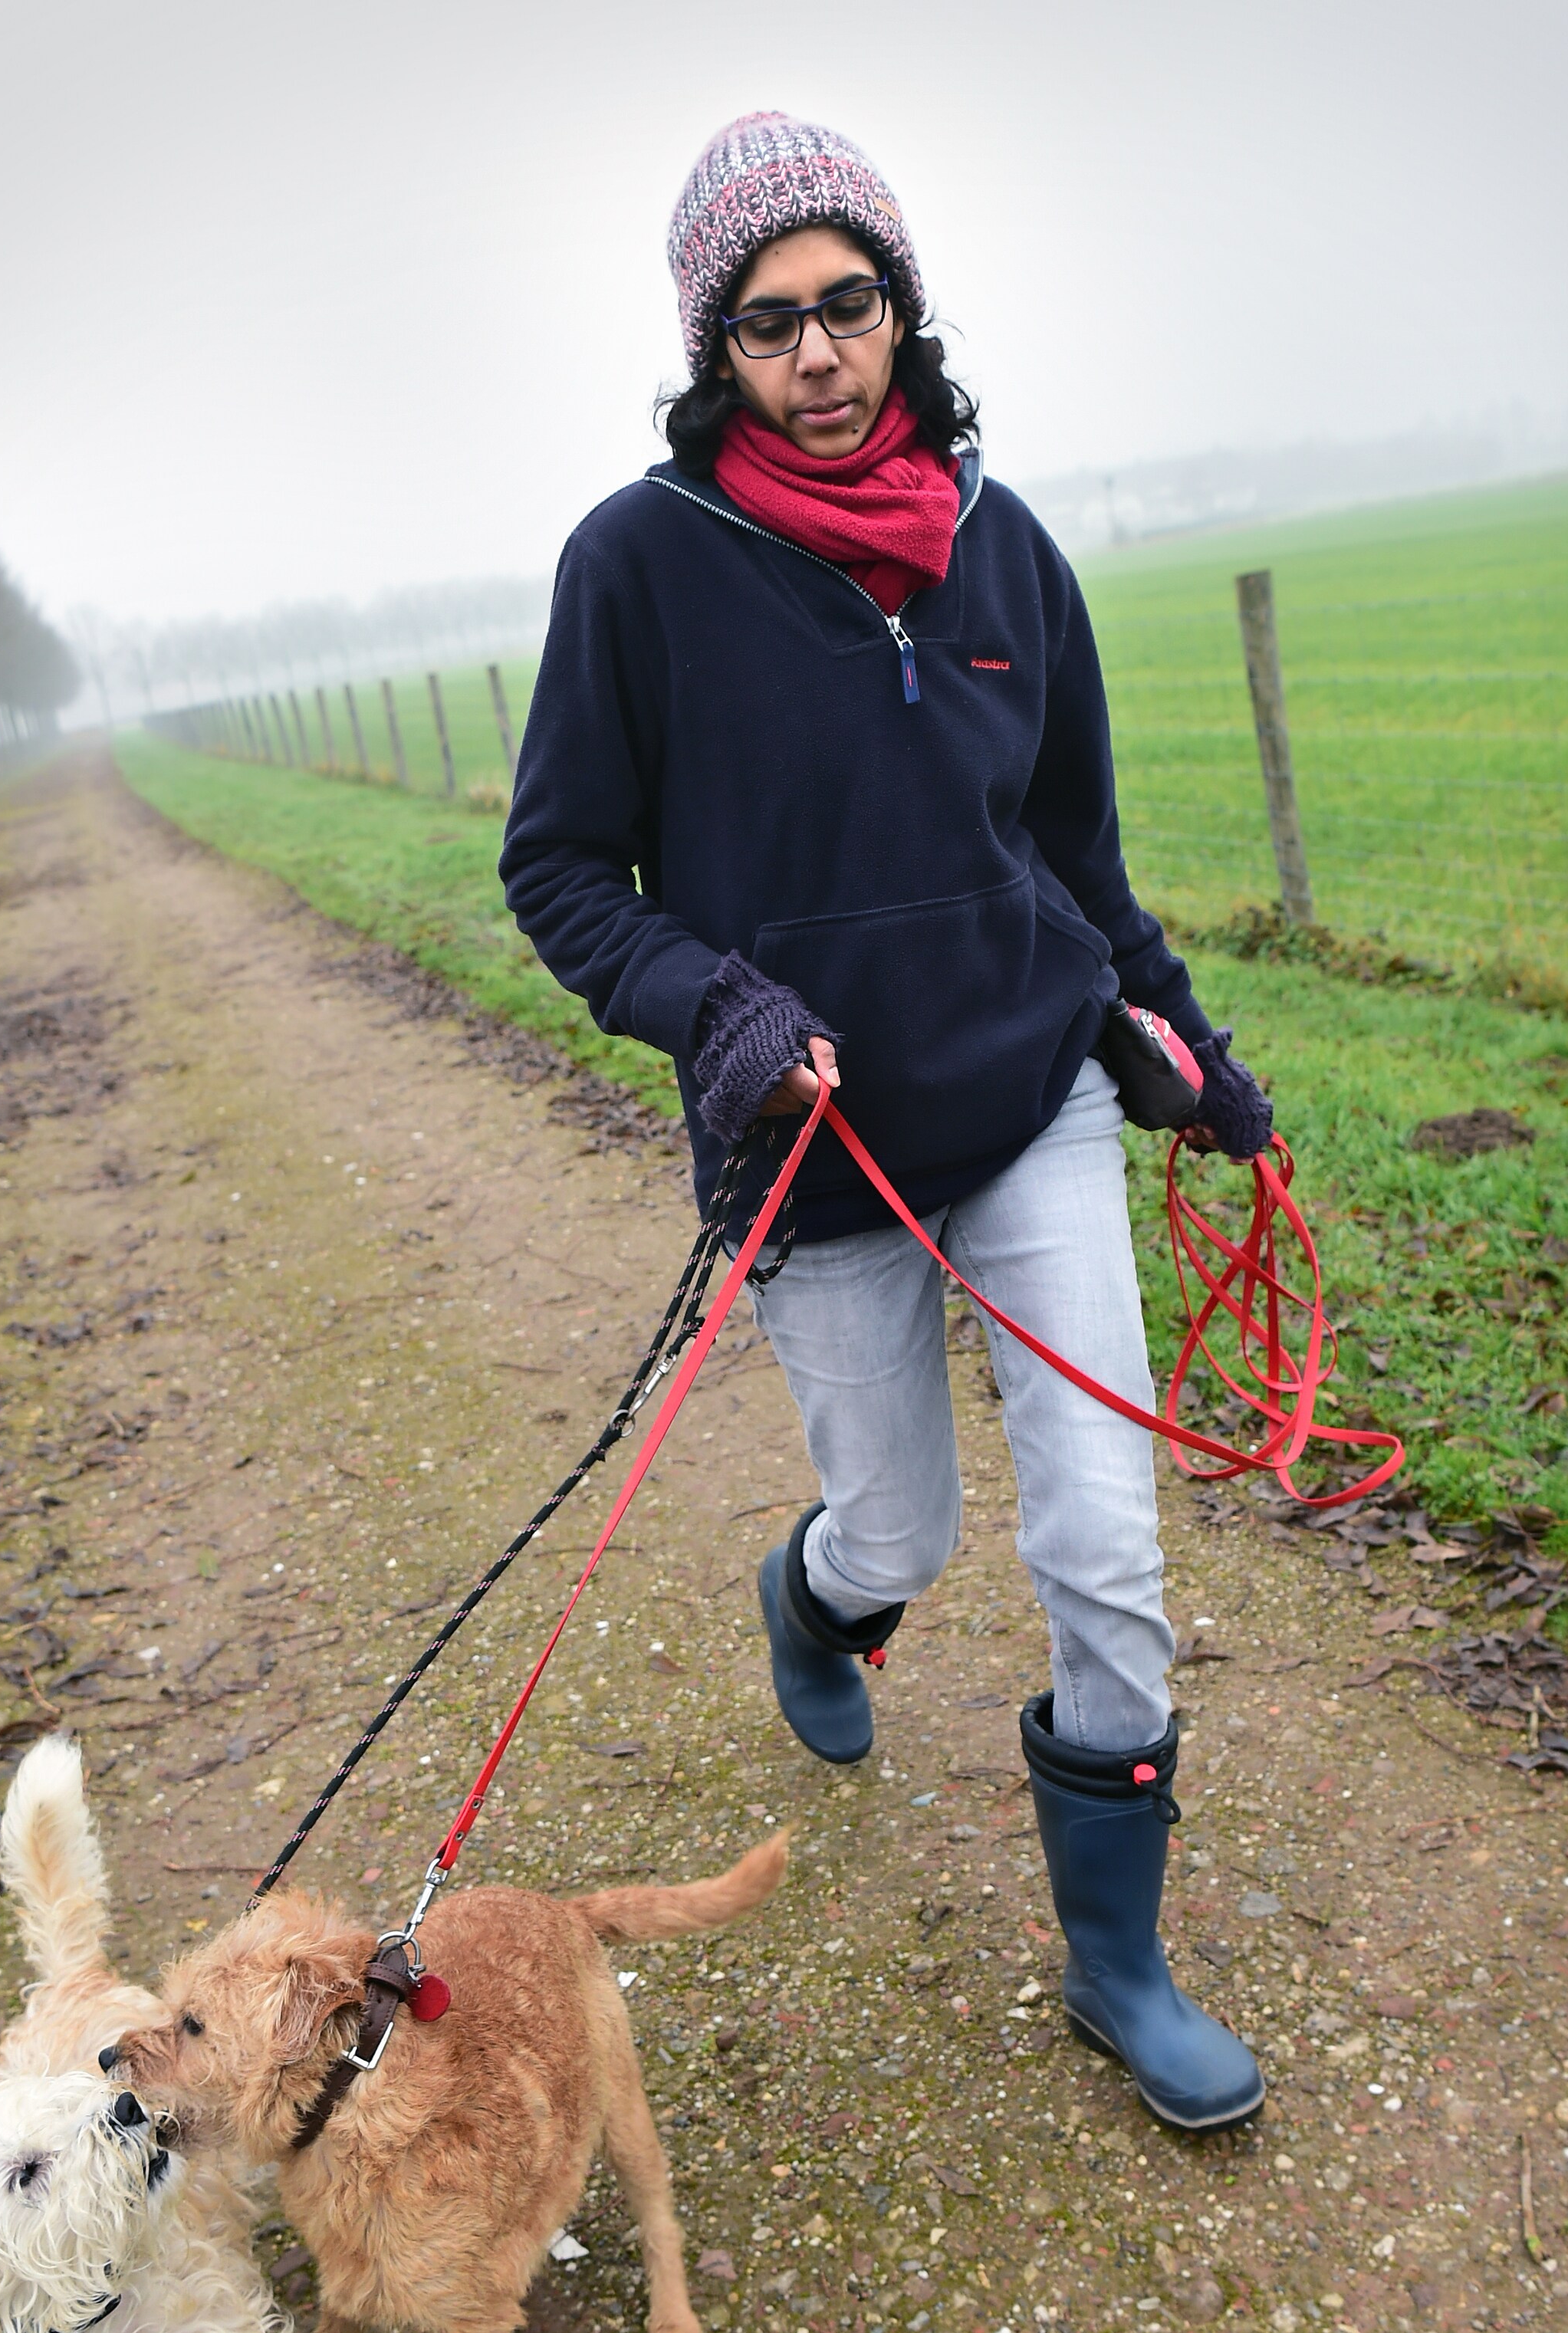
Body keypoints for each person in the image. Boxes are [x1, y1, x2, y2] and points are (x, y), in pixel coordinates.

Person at [499, 112, 1266, 2134]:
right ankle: (815, 1595)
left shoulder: (1009, 551)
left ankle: (1118, 1958)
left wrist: (1178, 1046)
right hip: (818, 1157)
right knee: (907, 1524)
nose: (819, 353)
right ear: (715, 353)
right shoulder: (638, 570)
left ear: (902, 313)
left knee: (1102, 1533)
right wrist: (722, 1003)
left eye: (849, 305)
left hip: (1026, 1113)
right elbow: (562, 873)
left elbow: (1077, 863)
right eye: (770, 325)